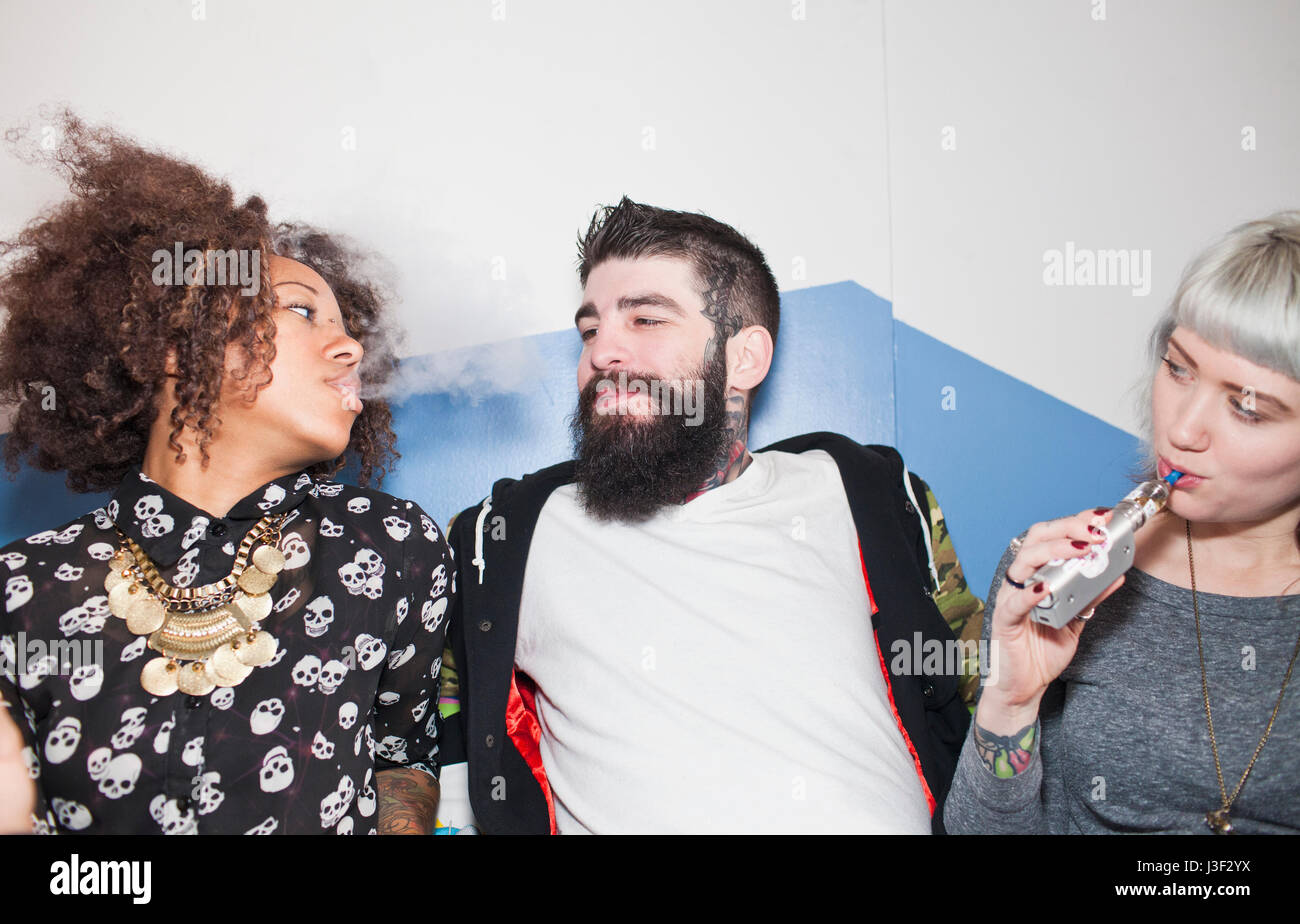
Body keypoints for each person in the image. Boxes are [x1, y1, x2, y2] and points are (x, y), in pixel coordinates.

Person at [438, 197, 983, 833]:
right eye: (590, 330)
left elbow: (978, 707)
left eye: (644, 319)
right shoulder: (504, 538)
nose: (602, 351)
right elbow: (443, 759)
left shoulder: (870, 495)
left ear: (745, 358)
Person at [0, 114, 451, 834]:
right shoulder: (24, 589)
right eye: (303, 311)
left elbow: (404, 757)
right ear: (180, 344)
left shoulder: (388, 546)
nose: (349, 350)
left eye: (347, 327)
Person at [945, 212, 1300, 834]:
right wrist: (1010, 701)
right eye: (1178, 368)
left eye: (1246, 408)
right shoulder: (1061, 575)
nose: (1183, 428)